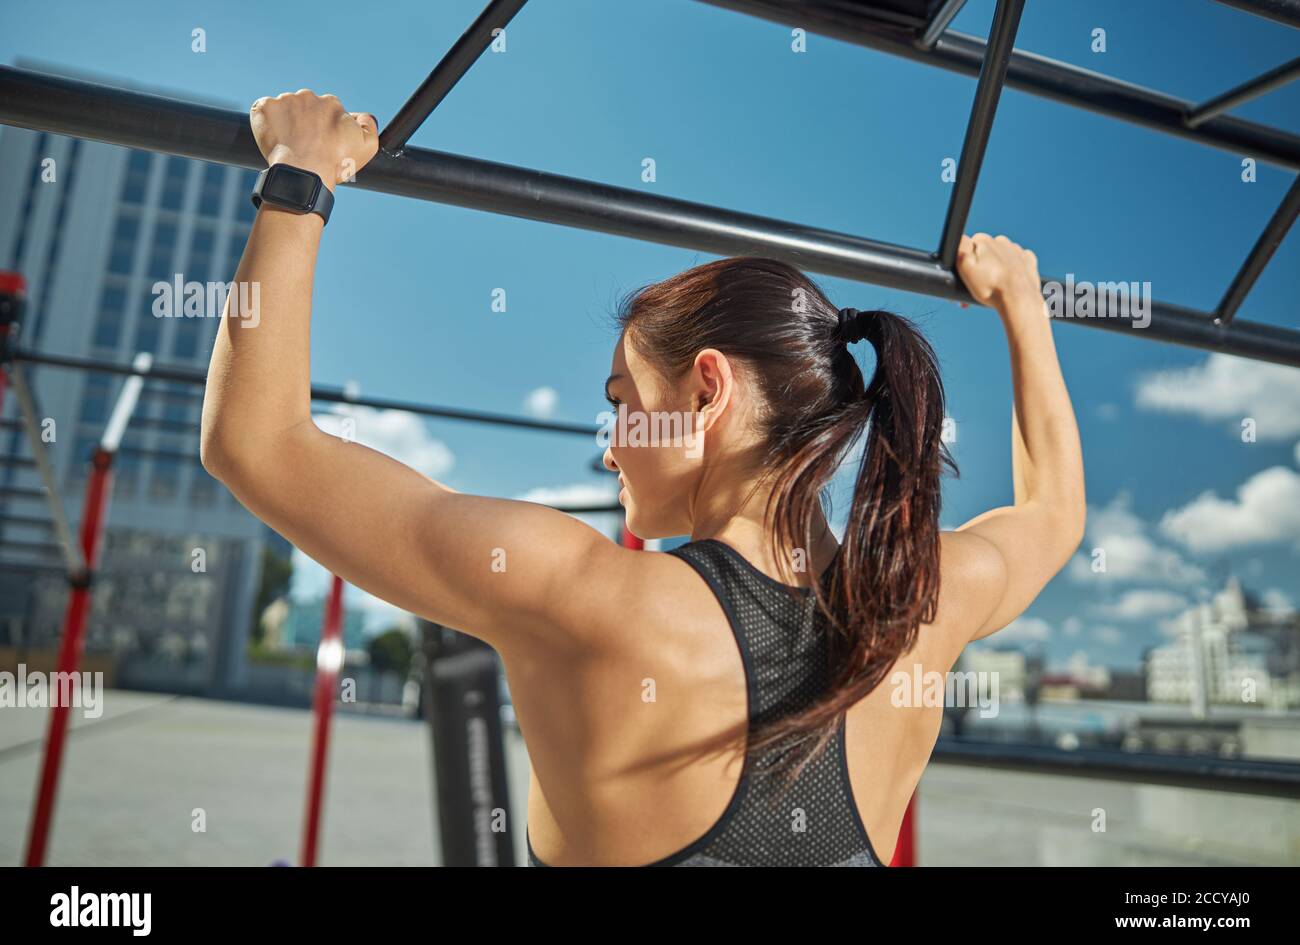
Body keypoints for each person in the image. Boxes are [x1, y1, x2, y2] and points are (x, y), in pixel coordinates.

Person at [201, 91, 1086, 867]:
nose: (612, 443)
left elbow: (258, 443)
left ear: (706, 390)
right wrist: (1022, 305)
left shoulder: (579, 593)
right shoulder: (917, 612)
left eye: (623, 400)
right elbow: (1053, 513)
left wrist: (300, 174)